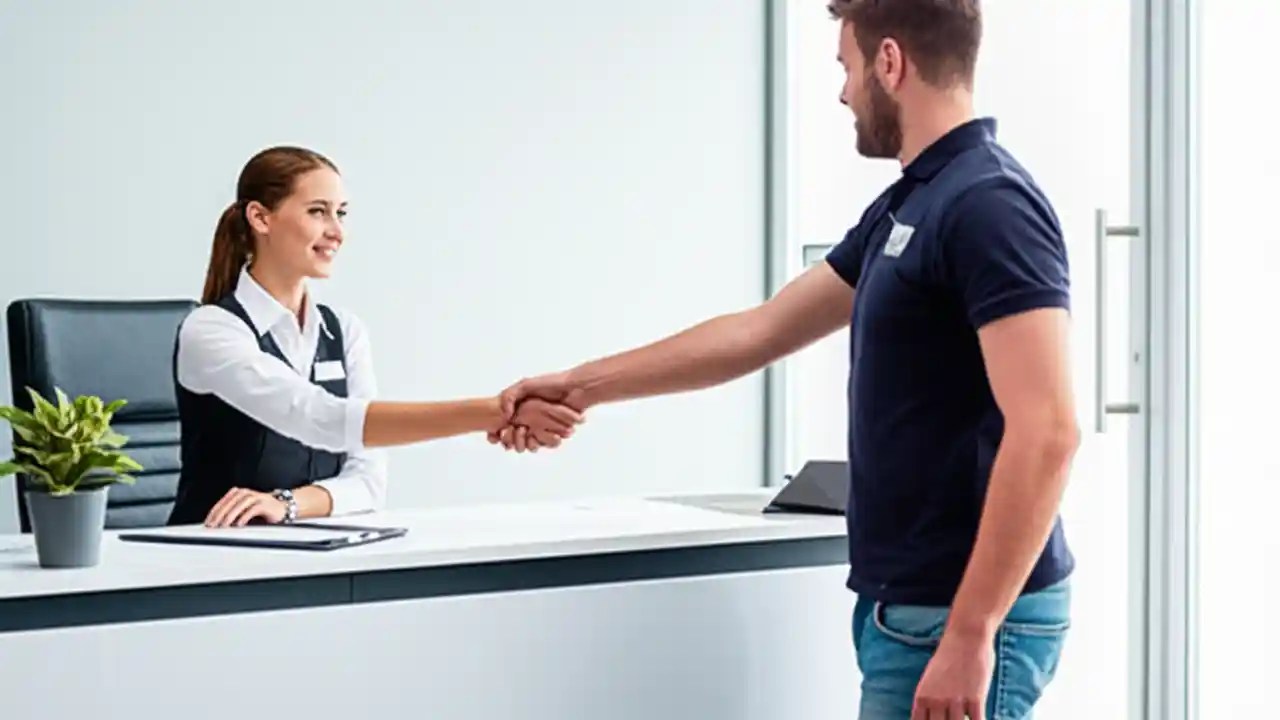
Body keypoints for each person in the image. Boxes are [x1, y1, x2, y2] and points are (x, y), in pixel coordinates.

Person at [490, 2, 1078, 718]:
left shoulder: (989, 204)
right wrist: (580, 385)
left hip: (963, 614)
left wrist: (972, 631)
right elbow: (759, 332)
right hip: (909, 609)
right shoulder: (911, 204)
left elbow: (1048, 430)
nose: (842, 92)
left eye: (847, 67)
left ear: (889, 63)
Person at [170, 146, 583, 528]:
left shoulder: (343, 330)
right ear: (261, 218)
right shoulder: (212, 330)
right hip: (206, 558)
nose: (337, 231)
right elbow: (318, 418)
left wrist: (287, 504)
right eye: (318, 211)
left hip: (309, 552)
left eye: (341, 213)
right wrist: (495, 412)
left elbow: (368, 482)